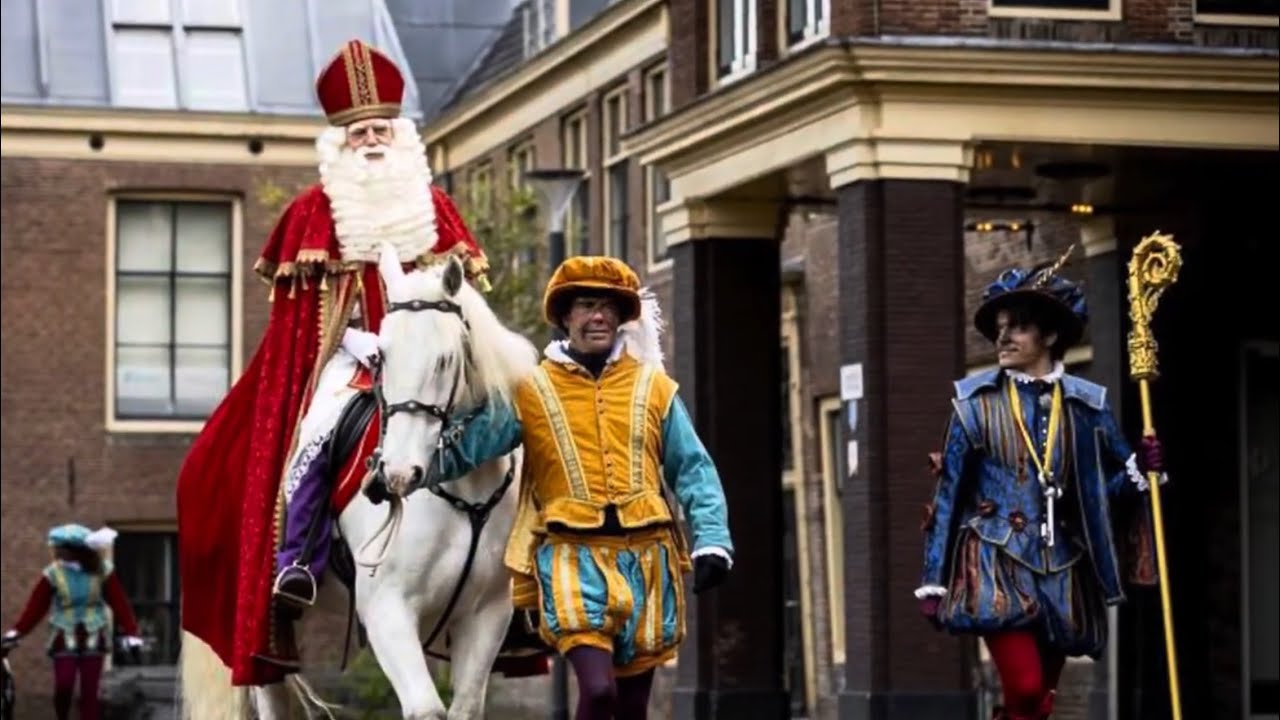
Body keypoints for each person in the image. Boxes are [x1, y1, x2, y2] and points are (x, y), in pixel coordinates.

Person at [175, 38, 491, 684]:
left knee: (501, 429)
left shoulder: (434, 212)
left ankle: (519, 573)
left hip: (427, 366)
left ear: (399, 135)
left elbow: (465, 307)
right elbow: (303, 318)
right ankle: (295, 560)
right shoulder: (311, 215)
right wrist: (352, 342)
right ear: (341, 141)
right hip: (352, 365)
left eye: (381, 129)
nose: (371, 140)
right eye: (358, 131)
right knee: (315, 436)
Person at [408, 256, 734, 720]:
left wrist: (713, 541)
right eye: (585, 305)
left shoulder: (654, 387)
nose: (597, 316)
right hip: (570, 557)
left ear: (621, 317)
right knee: (599, 692)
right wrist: (407, 466)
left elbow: (693, 468)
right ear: (565, 316)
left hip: (649, 559)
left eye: (606, 306)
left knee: (632, 706)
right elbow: (471, 447)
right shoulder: (531, 390)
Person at [915, 249, 1168, 720]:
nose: (1003, 336)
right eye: (1000, 327)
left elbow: (1099, 495)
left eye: (1019, 327)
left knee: (1038, 701)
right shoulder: (974, 405)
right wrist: (932, 580)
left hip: (1064, 567)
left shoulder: (1088, 406)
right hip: (996, 560)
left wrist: (1139, 469)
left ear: (1050, 335)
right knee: (1027, 688)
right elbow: (947, 496)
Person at [1, 524, 143, 720]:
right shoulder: (53, 574)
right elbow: (36, 608)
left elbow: (119, 603)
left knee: (89, 692)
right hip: (64, 635)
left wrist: (131, 633)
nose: (57, 552)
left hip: (94, 635)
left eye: (60, 548)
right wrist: (17, 631)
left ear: (74, 550)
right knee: (64, 686)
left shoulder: (102, 571)